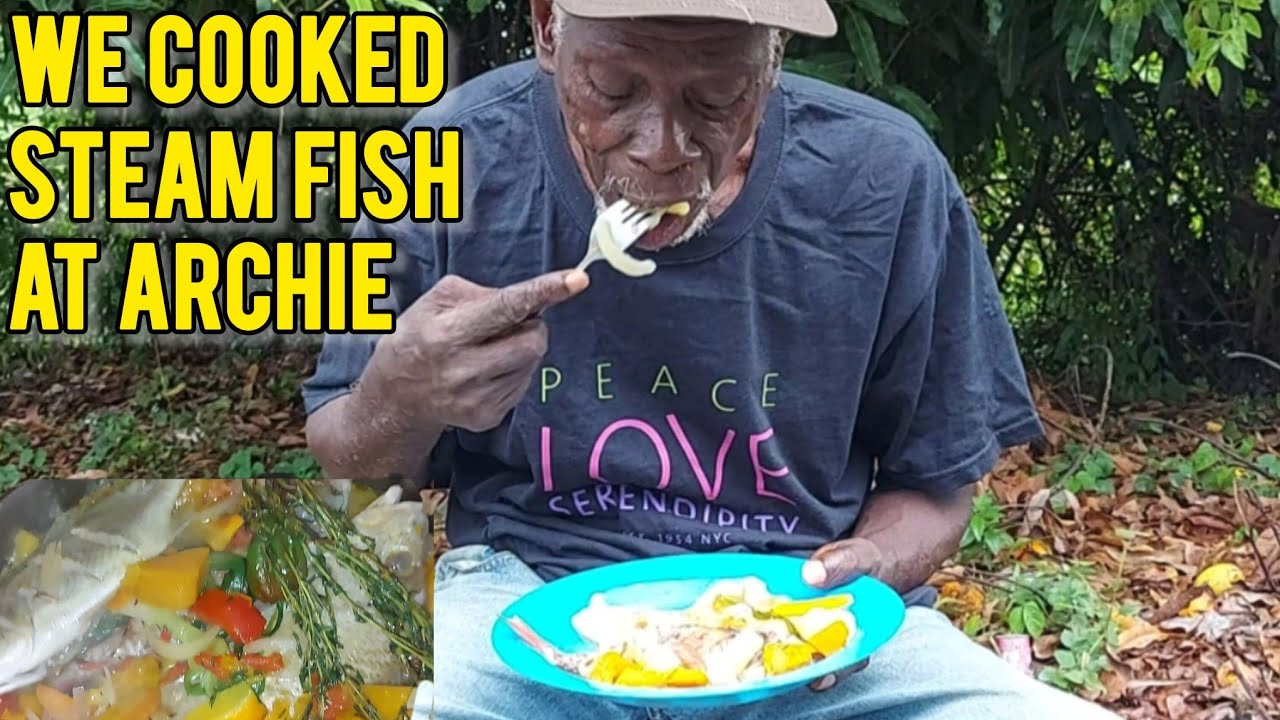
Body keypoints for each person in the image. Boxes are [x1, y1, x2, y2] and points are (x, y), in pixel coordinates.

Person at [302, 1, 1122, 718]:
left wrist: (869, 571)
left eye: (716, 97)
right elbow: (348, 465)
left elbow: (938, 482)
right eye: (614, 91)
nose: (663, 148)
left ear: (772, 61)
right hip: (520, 617)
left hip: (804, 632)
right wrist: (401, 396)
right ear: (548, 26)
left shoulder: (884, 180)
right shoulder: (452, 154)